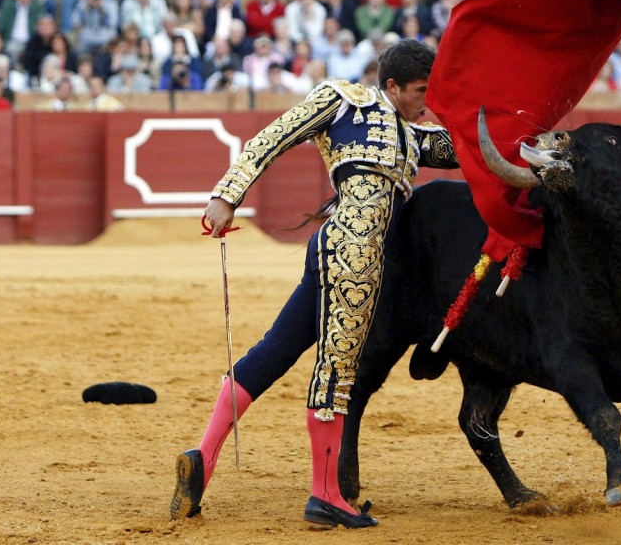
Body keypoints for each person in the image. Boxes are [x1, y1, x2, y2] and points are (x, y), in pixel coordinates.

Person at [170, 39, 459, 528]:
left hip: (331, 249)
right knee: (337, 372)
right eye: (418, 90)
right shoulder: (342, 99)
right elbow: (274, 136)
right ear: (390, 85)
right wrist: (227, 194)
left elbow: (466, 148)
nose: (425, 100)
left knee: (275, 351)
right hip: (355, 255)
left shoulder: (415, 136)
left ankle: (203, 455)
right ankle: (325, 496)